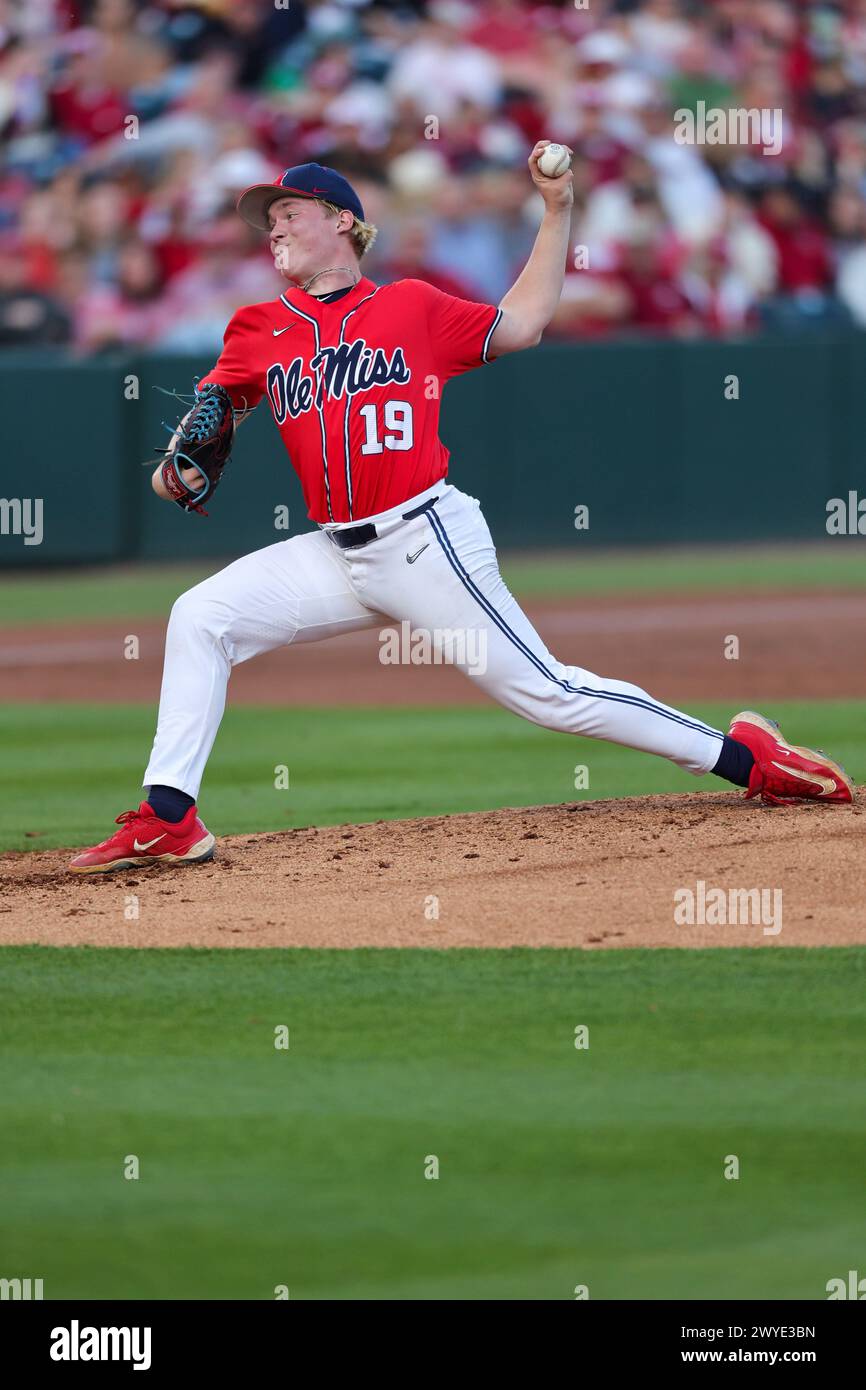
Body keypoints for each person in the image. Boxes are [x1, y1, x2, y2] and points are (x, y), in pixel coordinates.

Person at [69, 153, 853, 873]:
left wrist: (557, 212)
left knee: (548, 693)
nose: (271, 224)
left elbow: (523, 324)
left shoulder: (411, 306)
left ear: (344, 219)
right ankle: (171, 817)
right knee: (201, 614)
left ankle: (751, 761)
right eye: (264, 217)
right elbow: (195, 442)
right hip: (336, 555)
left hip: (423, 538)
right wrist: (175, 471)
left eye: (289, 210)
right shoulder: (255, 329)